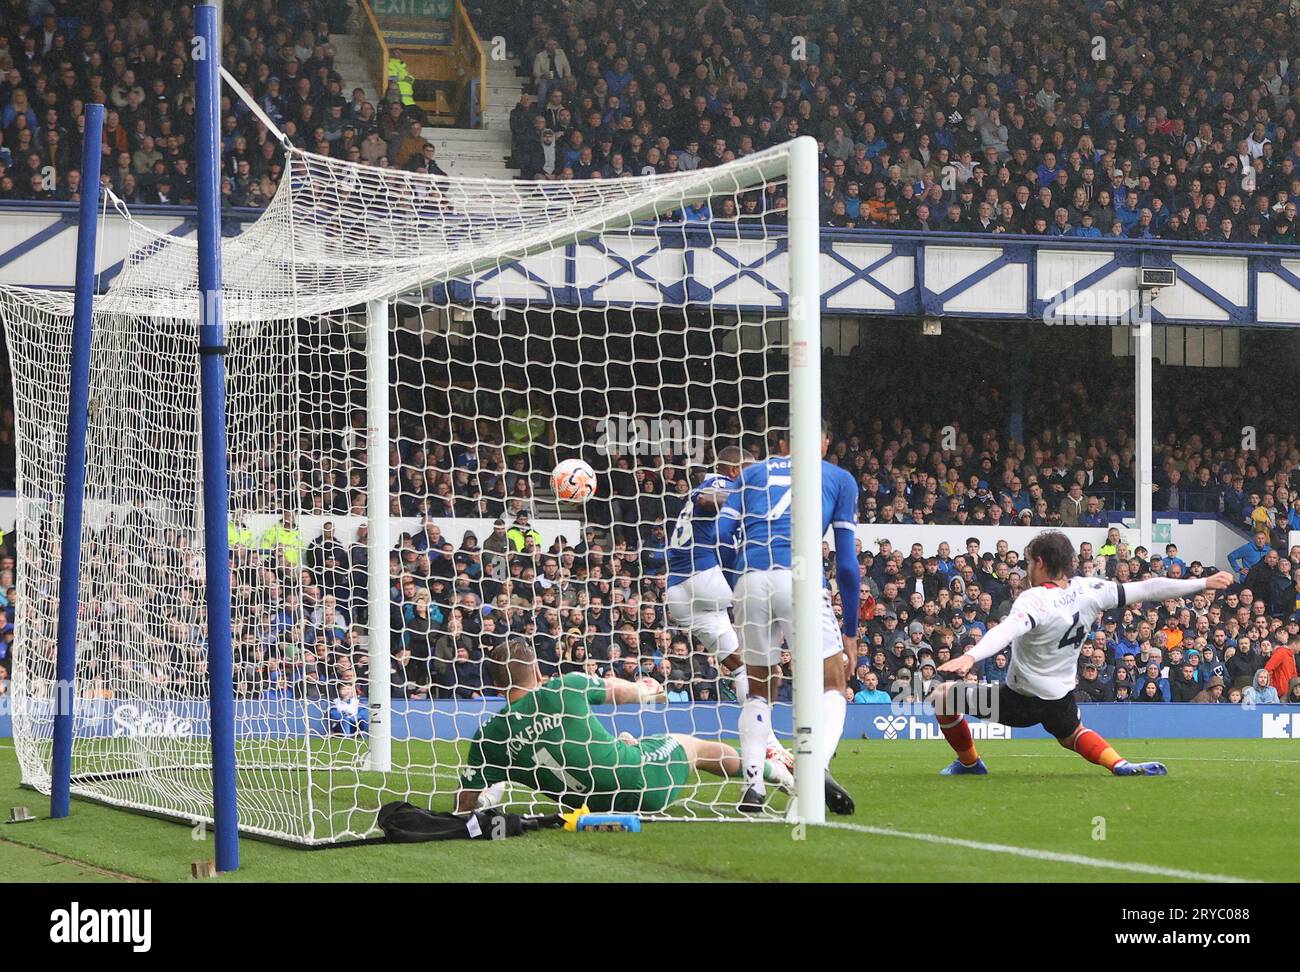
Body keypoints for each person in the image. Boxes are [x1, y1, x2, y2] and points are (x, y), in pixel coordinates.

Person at [931, 531, 1232, 776]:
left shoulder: (1035, 599)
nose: (1027, 570)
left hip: (1018, 699)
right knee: (1071, 734)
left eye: (1028, 564)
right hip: (1060, 698)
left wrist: (972, 656)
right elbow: (1150, 587)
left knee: (943, 696)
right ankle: (1119, 763)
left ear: (1039, 562)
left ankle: (970, 763)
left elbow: (1006, 630)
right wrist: (1203, 582)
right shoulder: (1091, 589)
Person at [454, 640, 792, 814]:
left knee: (630, 743)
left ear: (497, 688)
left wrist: (486, 796)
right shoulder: (565, 686)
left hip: (587, 807)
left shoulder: (487, 738)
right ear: (539, 673)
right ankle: (776, 773)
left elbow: (462, 804)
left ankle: (630, 746)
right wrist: (653, 690)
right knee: (690, 745)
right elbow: (625, 692)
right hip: (639, 785)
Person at [717, 418, 859, 815]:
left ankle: (753, 787)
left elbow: (723, 536)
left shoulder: (751, 474)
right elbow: (846, 565)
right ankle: (813, 772)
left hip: (751, 578)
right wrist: (850, 630)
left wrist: (737, 581)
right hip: (799, 578)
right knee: (833, 681)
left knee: (760, 686)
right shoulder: (838, 478)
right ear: (826, 443)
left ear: (783, 443)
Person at [664, 446, 790, 766]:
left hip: (680, 594)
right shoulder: (722, 482)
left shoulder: (722, 507)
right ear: (735, 470)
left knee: (742, 667)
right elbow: (707, 498)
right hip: (703, 577)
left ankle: (769, 743)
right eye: (748, 471)